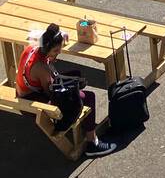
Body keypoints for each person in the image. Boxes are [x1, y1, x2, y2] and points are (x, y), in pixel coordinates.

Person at [16, 22, 116, 157]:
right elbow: (52, 94)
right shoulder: (41, 68)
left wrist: (60, 37)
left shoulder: (33, 46)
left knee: (76, 75)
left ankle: (85, 127)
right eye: (56, 51)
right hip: (32, 100)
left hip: (25, 89)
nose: (59, 53)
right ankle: (92, 142)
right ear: (47, 49)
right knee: (89, 97)